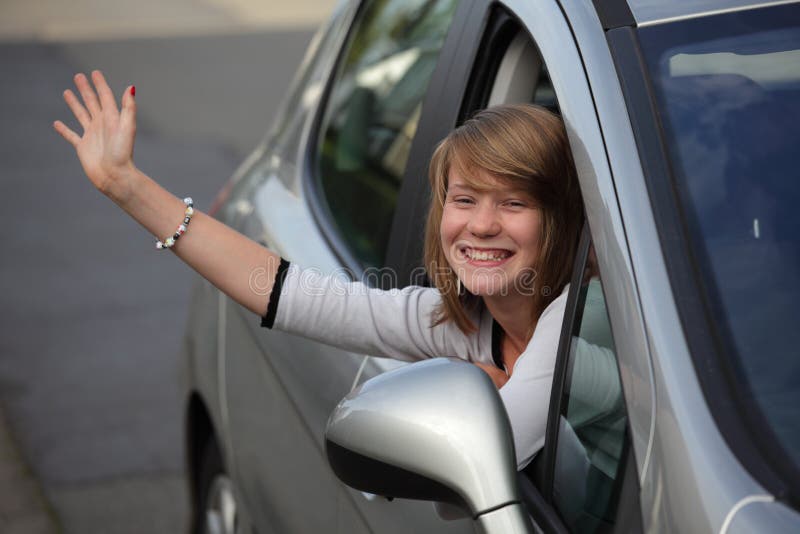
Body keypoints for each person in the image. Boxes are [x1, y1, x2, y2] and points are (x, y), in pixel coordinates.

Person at [53, 70, 584, 469]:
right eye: (464, 199)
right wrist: (127, 187)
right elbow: (288, 293)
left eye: (514, 203)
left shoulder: (581, 322)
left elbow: (491, 455)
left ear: (560, 218)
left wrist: (472, 388)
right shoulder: (458, 320)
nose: (482, 225)